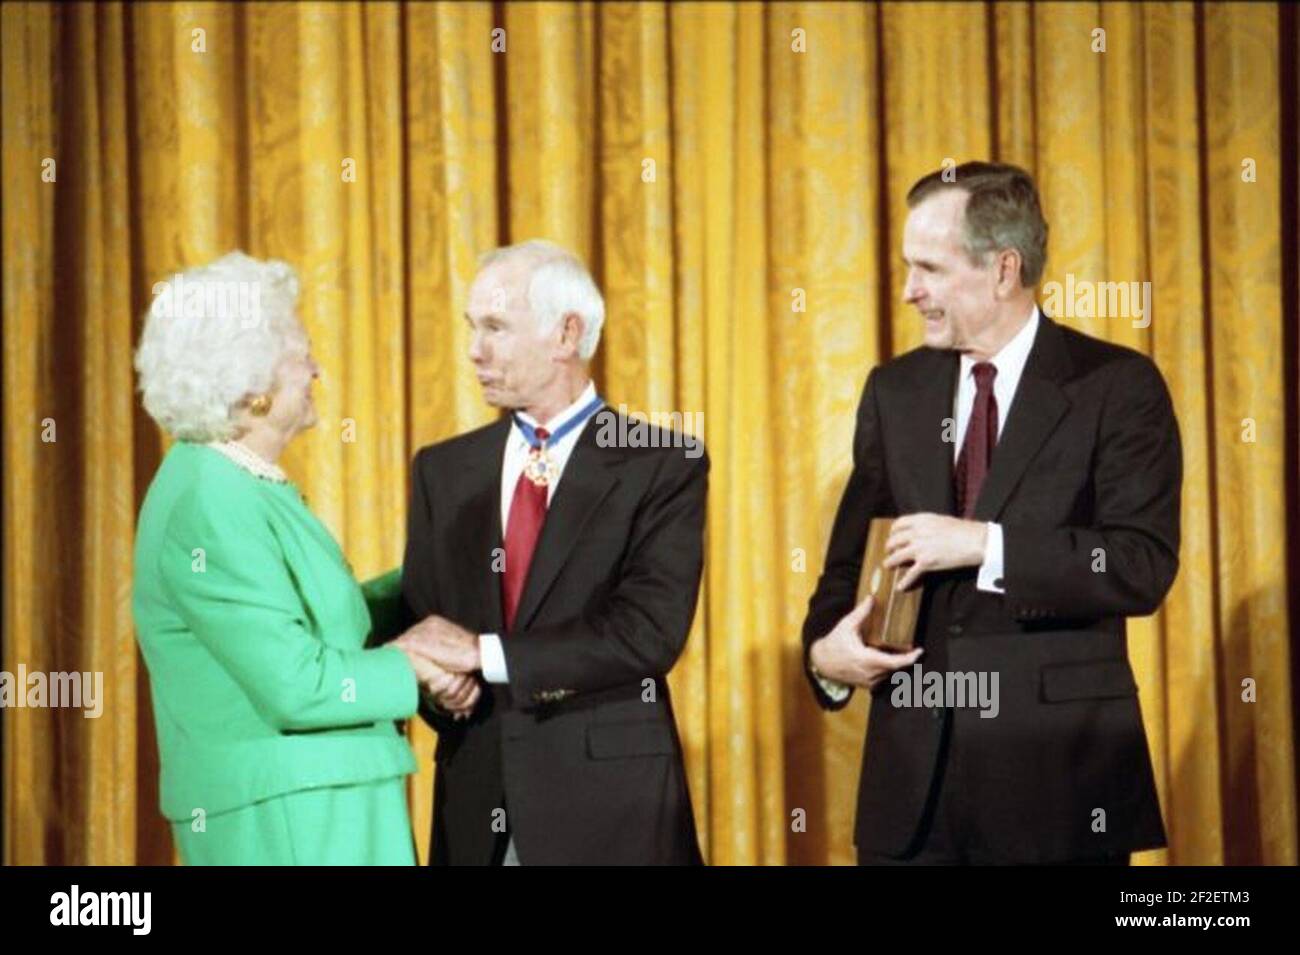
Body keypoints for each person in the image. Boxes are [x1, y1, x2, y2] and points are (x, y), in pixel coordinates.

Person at [802, 162, 1181, 865]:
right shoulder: (895, 390)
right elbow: (848, 567)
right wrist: (827, 656)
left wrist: (985, 545)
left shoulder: (1115, 386)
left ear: (1004, 270)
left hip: (1057, 790)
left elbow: (1140, 564)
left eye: (931, 269)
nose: (910, 290)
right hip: (911, 803)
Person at [131, 250, 474, 865]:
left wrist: (441, 576)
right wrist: (416, 664)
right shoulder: (210, 499)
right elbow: (294, 683)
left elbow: (319, 623)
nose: (316, 369)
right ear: (253, 386)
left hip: (321, 805)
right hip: (290, 820)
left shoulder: (236, 483)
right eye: (301, 355)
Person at [397, 240, 707, 865]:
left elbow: (645, 635)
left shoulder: (662, 465)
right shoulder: (443, 470)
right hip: (477, 800)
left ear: (566, 334)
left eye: (496, 327)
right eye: (471, 327)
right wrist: (438, 687)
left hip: (609, 810)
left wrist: (483, 656)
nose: (473, 350)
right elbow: (424, 621)